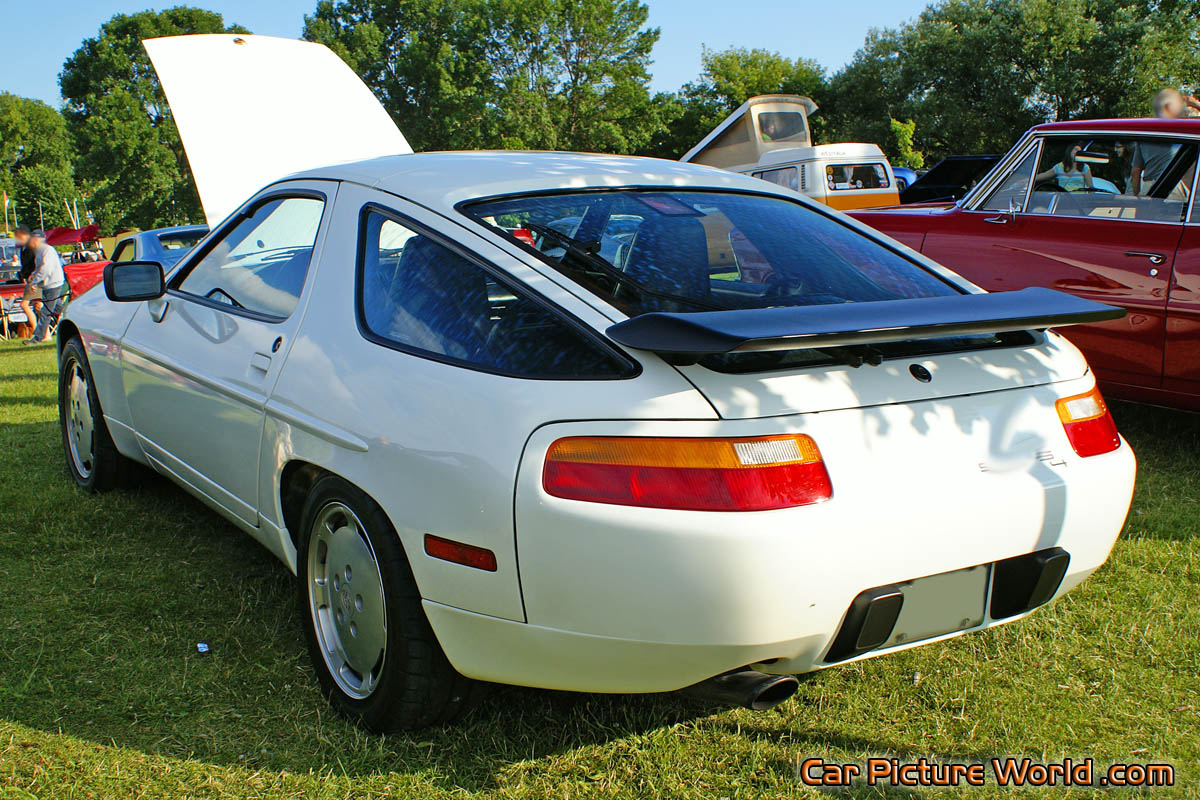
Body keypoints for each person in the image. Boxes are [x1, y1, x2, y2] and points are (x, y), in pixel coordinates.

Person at [24, 230, 67, 345]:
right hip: (47, 284)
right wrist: (33, 278)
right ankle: (77, 320)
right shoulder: (39, 251)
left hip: (53, 283)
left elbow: (45, 269)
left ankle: (38, 338)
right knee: (58, 309)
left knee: (46, 311)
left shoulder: (47, 250)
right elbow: (38, 268)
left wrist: (34, 282)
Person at [11, 226, 41, 334]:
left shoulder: (31, 248)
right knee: (38, 306)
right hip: (30, 279)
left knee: (24, 304)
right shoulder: (23, 249)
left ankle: (37, 330)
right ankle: (43, 330)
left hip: (34, 280)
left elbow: (35, 264)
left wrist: (30, 277)